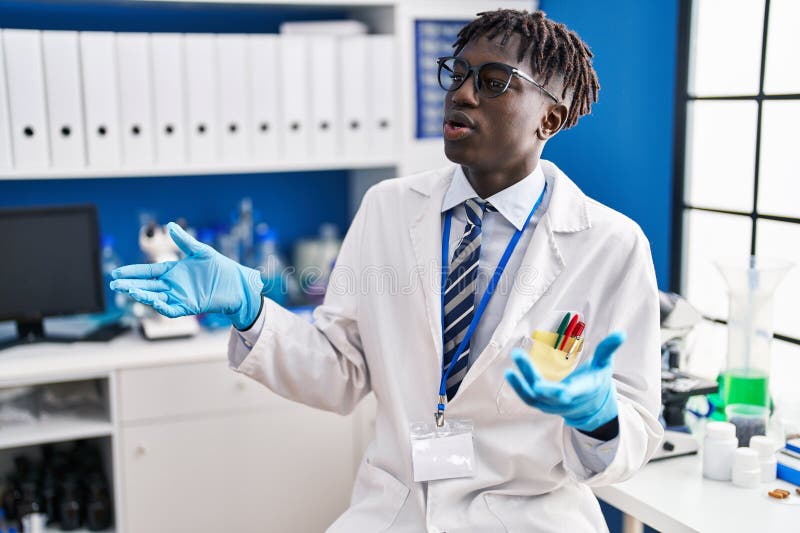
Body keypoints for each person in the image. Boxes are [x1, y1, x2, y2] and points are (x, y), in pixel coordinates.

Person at [111, 8, 663, 532]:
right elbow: (342, 371)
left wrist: (599, 416)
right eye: (459, 74)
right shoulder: (388, 207)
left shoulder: (610, 246)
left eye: (495, 81)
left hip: (527, 517)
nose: (463, 93)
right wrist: (253, 311)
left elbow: (636, 434)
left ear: (551, 116)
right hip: (395, 511)